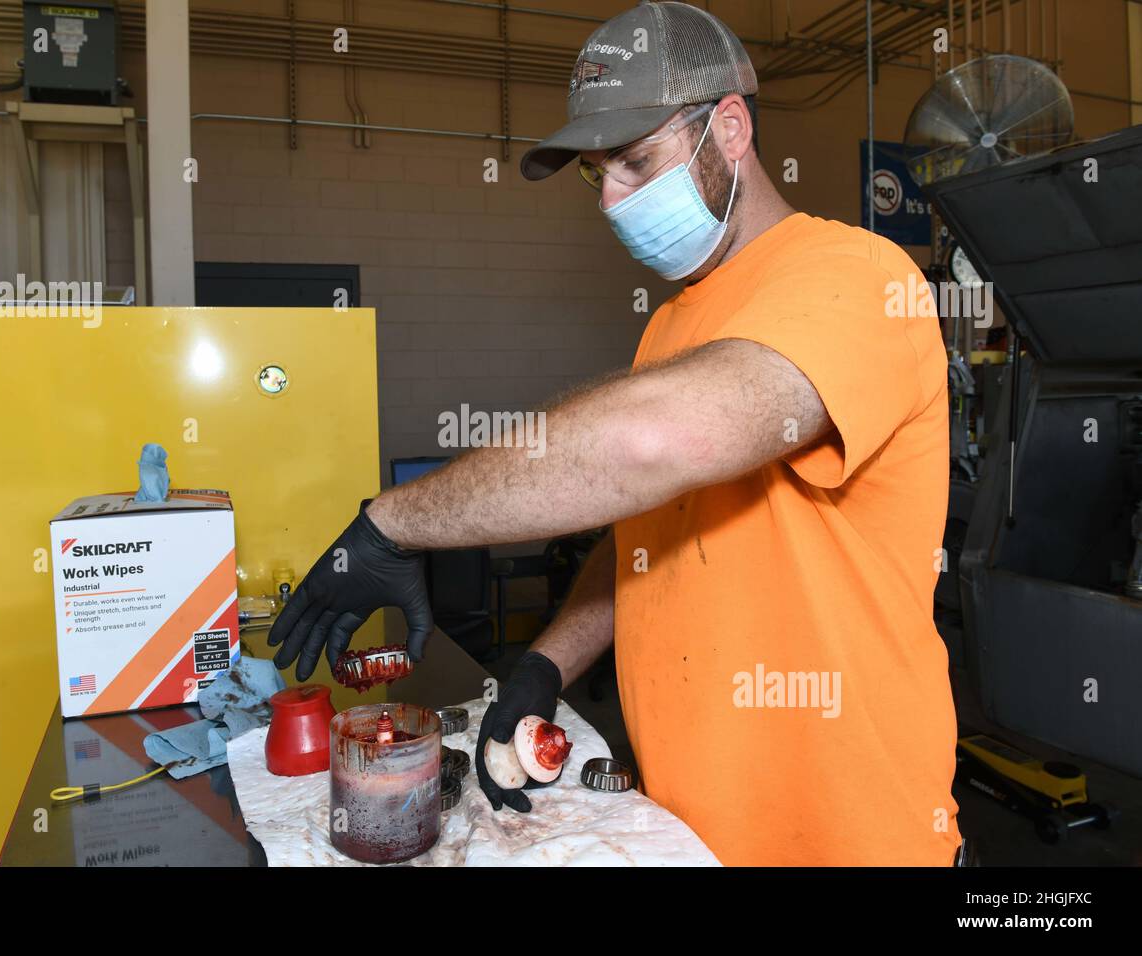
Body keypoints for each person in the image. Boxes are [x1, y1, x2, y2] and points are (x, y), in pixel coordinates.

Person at [268, 1, 960, 866]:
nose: (611, 197)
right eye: (598, 170)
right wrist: (547, 666)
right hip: (684, 831)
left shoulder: (858, 278)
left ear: (732, 128)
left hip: (845, 836)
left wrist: (395, 522)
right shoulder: (670, 325)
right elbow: (651, 533)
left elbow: (646, 444)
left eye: (637, 160)